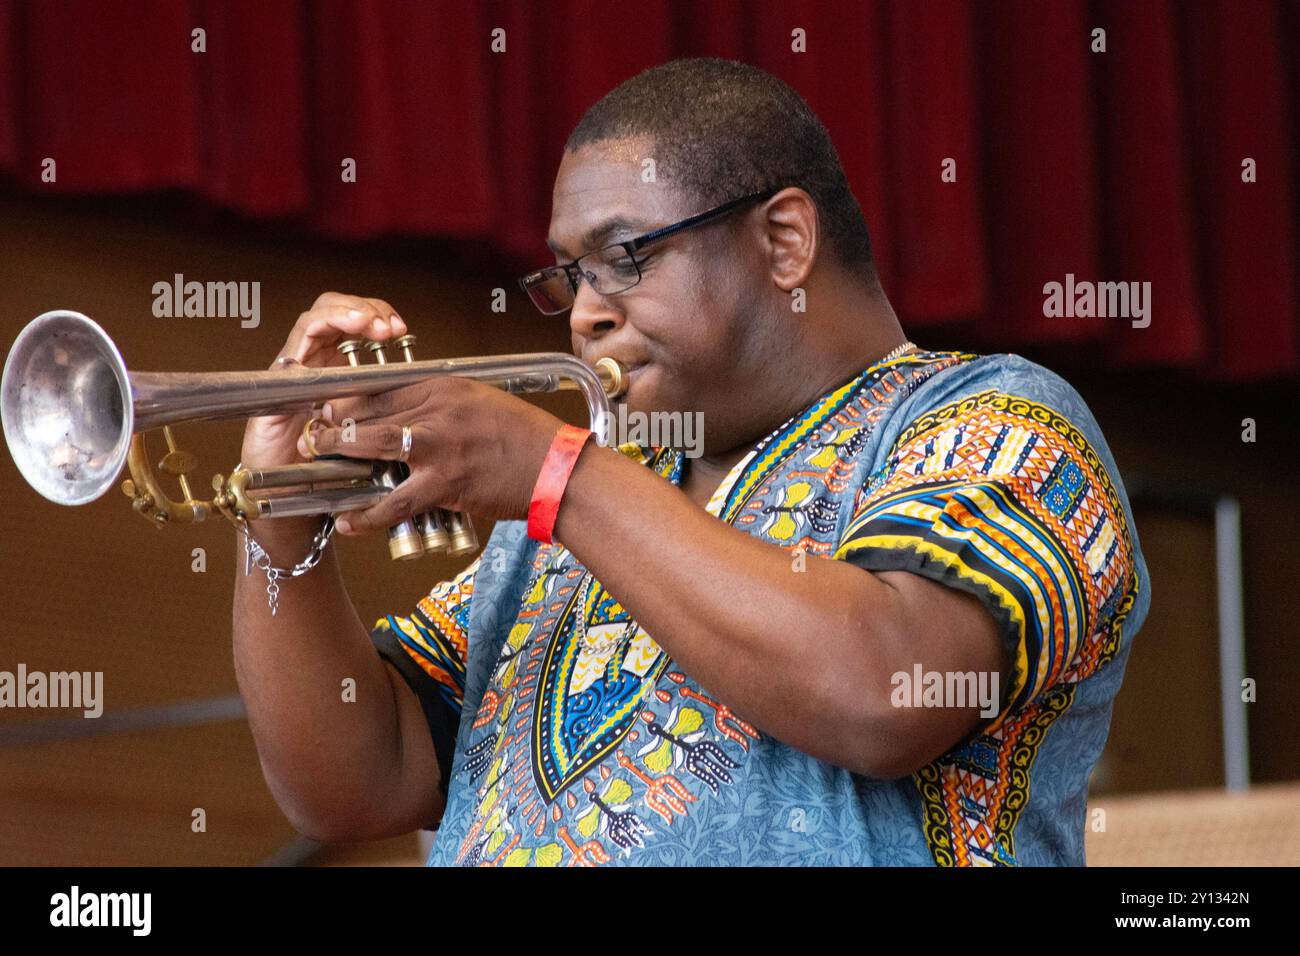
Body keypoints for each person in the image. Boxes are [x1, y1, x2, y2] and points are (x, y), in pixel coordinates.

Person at [233, 58, 1150, 866]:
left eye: (623, 257)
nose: (586, 312)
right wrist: (280, 536)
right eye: (572, 276)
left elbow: (889, 690)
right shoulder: (582, 512)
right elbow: (356, 782)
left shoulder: (993, 417)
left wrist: (557, 475)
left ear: (784, 242)